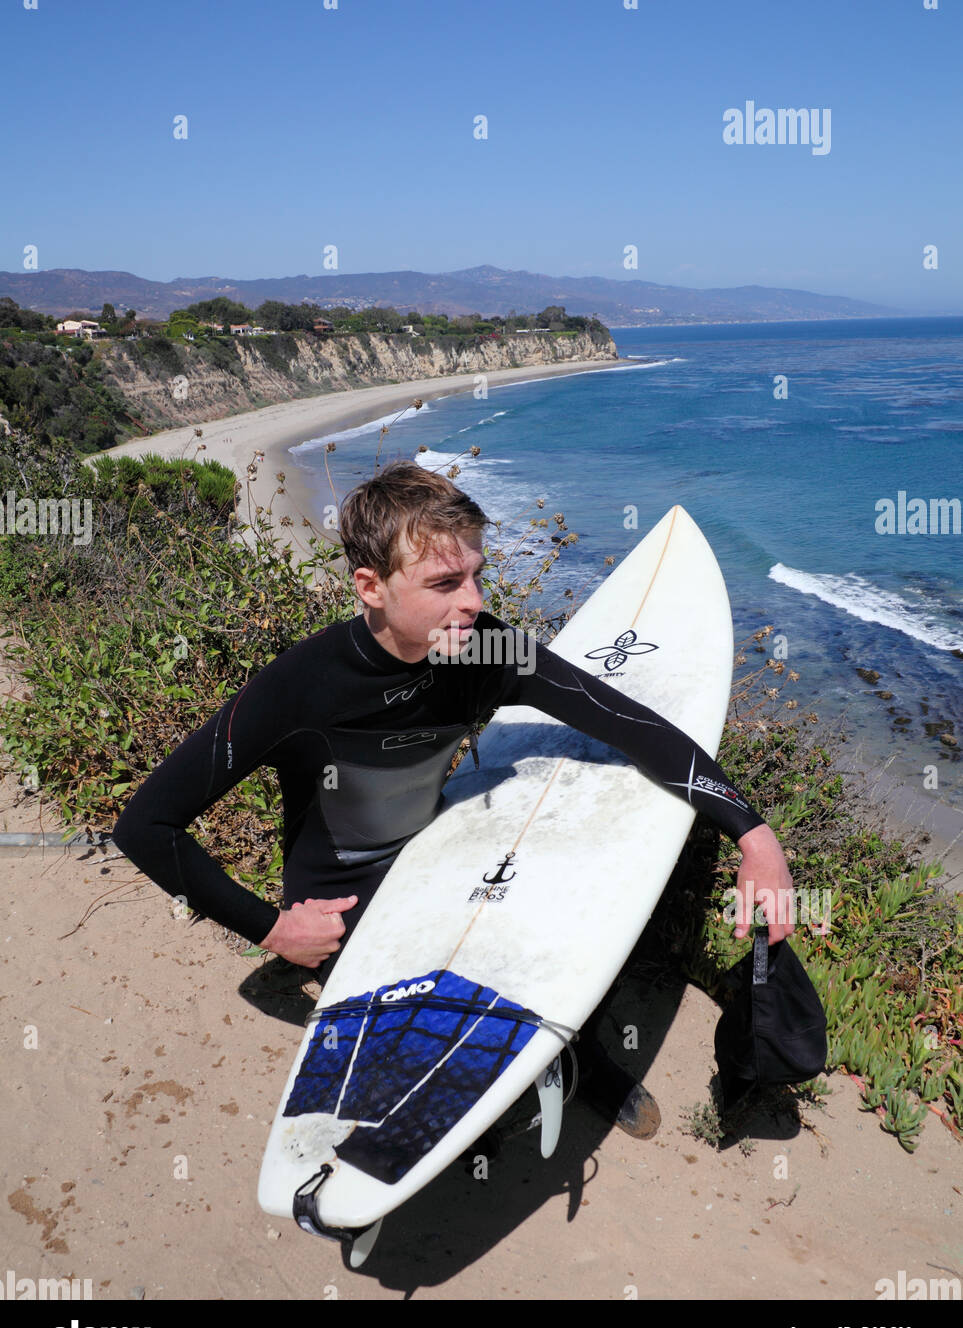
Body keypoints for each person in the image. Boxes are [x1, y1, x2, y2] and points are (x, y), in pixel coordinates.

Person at [112, 460, 793, 1137]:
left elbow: (626, 721)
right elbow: (146, 825)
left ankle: (579, 1059)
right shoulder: (300, 687)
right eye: (443, 583)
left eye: (476, 576)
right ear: (370, 587)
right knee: (450, 1076)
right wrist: (274, 930)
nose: (470, 601)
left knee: (560, 936)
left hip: (436, 855)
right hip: (344, 905)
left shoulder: (480, 647)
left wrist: (753, 836)